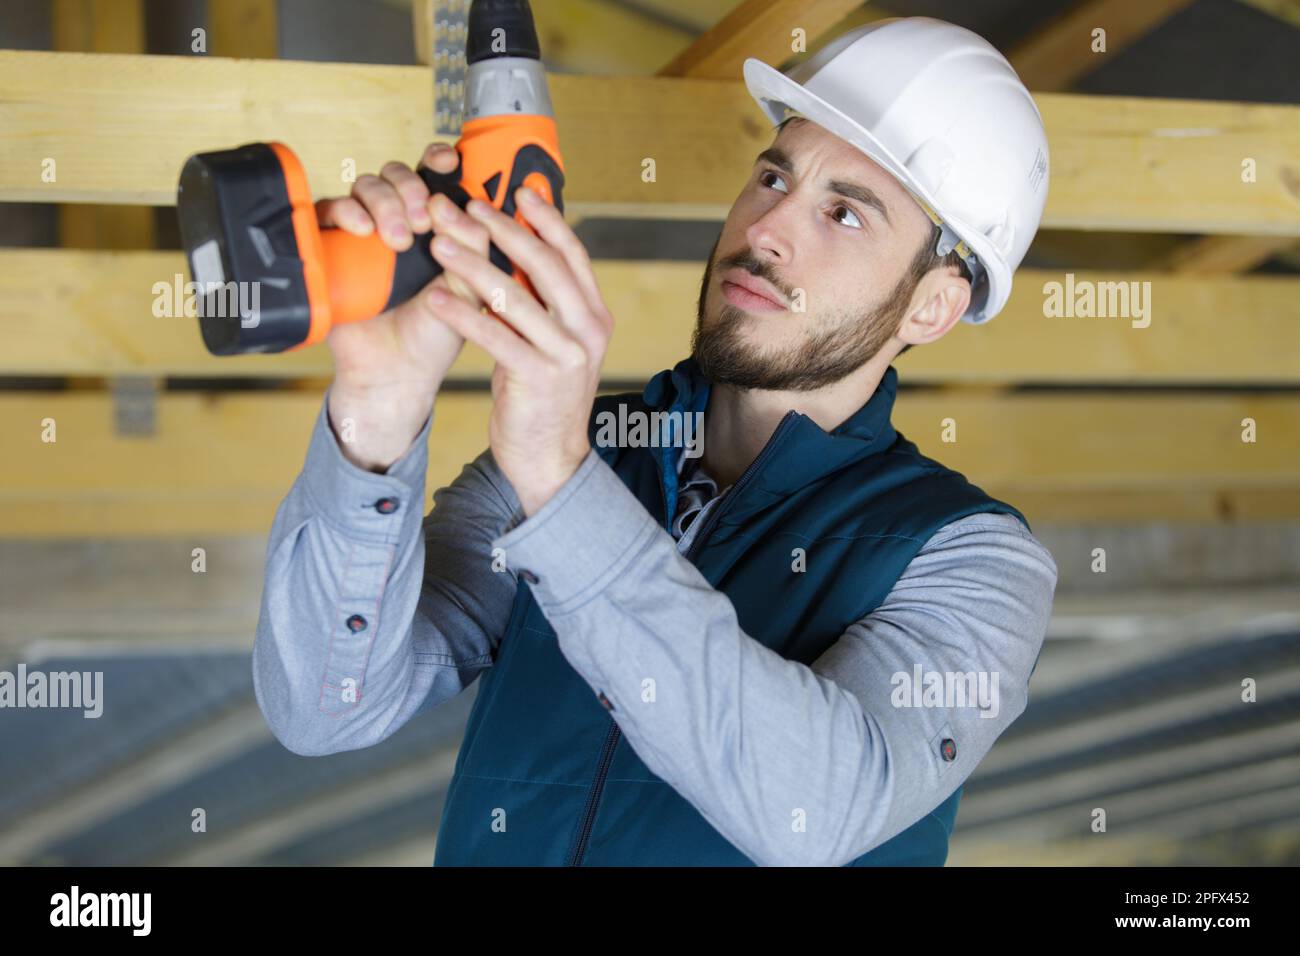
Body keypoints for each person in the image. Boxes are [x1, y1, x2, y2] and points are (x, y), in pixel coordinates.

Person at [253, 17, 1058, 866]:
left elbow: (816, 807)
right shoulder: (585, 447)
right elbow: (324, 704)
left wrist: (564, 488)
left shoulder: (973, 559)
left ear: (931, 305)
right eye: (774, 178)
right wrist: (377, 418)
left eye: (845, 214)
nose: (768, 230)